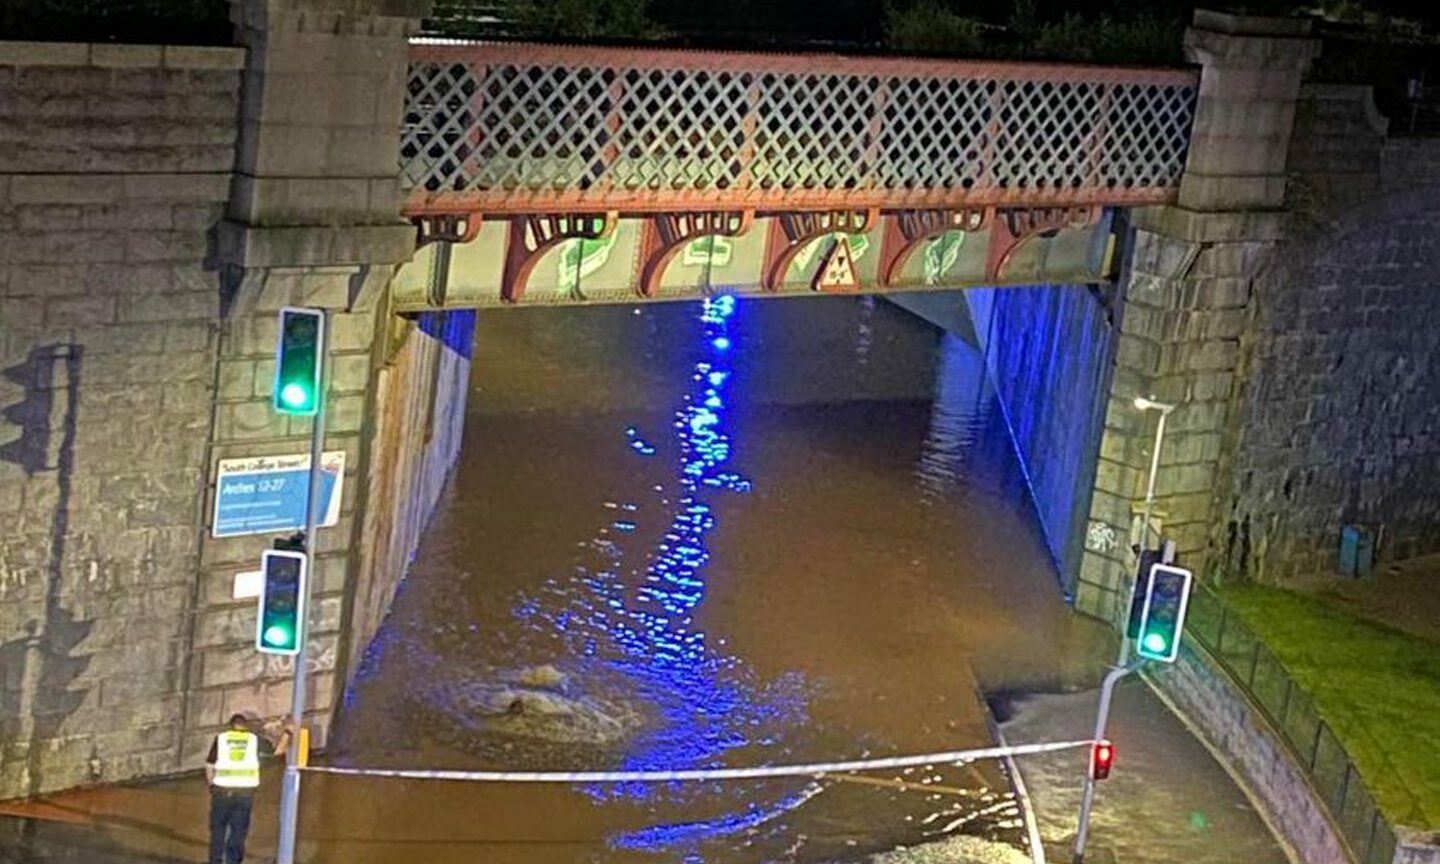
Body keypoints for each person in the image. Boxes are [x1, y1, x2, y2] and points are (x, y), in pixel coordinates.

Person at [204, 712, 294, 864]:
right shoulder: (254, 740)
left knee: (217, 830)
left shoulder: (221, 739)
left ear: (230, 726)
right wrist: (288, 732)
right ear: (246, 726)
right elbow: (278, 752)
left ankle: (215, 861)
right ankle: (233, 861)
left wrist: (211, 783)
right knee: (238, 831)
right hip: (244, 793)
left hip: (221, 791)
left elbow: (209, 764)